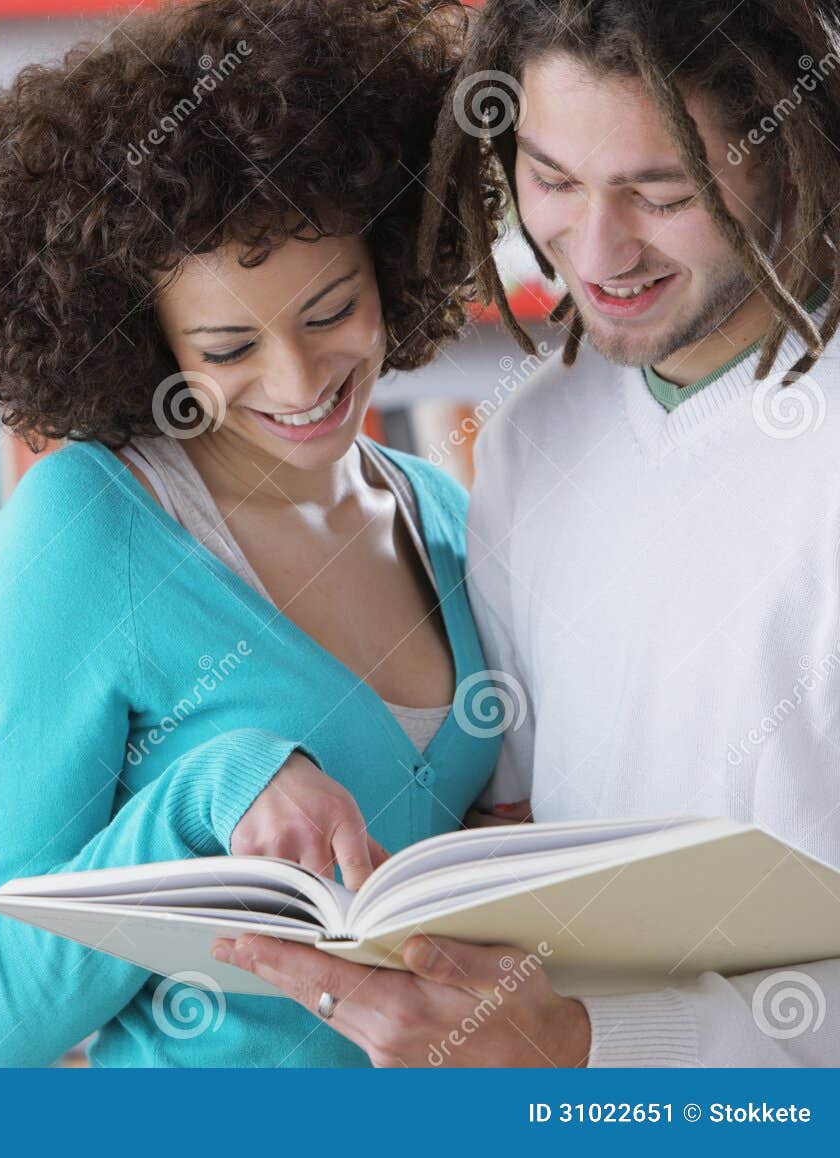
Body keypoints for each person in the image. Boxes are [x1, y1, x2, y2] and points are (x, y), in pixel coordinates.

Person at [215, 0, 840, 1067]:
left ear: (789, 150)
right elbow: (519, 823)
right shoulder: (530, 434)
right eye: (551, 181)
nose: (595, 252)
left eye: (662, 193)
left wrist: (590, 1045)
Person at [0, 0, 506, 1066]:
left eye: (331, 310)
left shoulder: (446, 516)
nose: (299, 379)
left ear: (392, 261)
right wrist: (205, 794)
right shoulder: (87, 528)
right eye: (229, 348)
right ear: (151, 346)